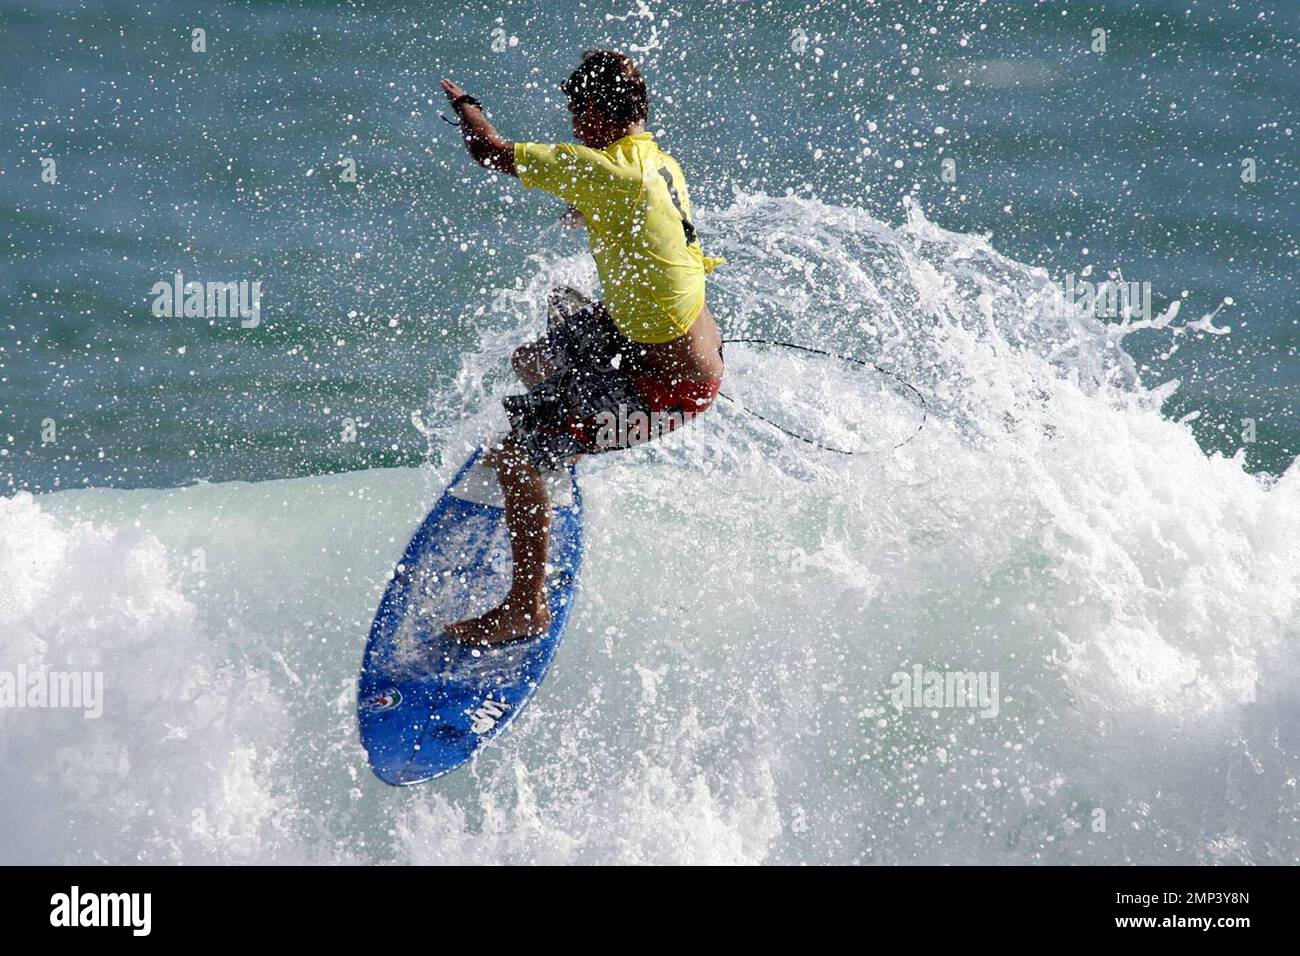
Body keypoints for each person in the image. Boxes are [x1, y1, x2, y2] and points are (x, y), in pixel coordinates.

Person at [441, 50, 725, 644]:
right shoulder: (658, 164)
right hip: (659, 342)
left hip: (670, 390)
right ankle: (566, 437)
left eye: (576, 113)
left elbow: (489, 150)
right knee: (545, 337)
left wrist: (465, 106)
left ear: (596, 112)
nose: (572, 125)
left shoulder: (602, 174)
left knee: (516, 453)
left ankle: (525, 607)